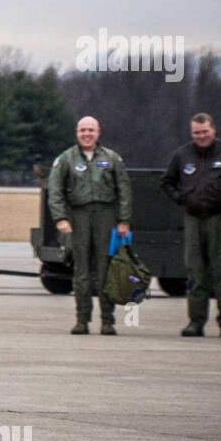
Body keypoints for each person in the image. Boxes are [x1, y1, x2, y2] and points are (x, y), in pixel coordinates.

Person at [159, 113, 221, 337]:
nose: (201, 136)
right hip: (193, 218)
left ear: (213, 130)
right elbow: (167, 182)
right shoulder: (182, 154)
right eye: (196, 133)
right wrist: (181, 197)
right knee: (195, 272)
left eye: (205, 132)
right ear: (191, 133)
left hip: (220, 219)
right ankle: (196, 321)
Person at [47, 116, 132, 335]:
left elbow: (124, 190)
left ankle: (107, 320)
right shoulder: (66, 159)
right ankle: (82, 320)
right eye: (83, 130)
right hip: (78, 217)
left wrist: (124, 220)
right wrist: (61, 219)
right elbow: (55, 190)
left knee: (106, 270)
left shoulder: (112, 158)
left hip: (106, 216)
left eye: (91, 130)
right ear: (77, 132)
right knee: (81, 271)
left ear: (98, 132)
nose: (87, 134)